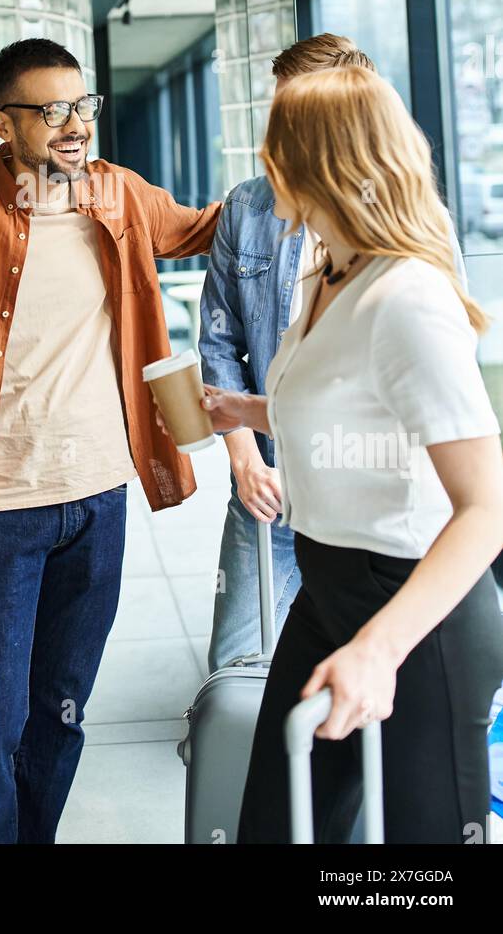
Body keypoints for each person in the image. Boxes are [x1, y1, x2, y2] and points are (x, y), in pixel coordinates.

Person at [0, 37, 222, 844]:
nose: (73, 125)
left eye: (81, 106)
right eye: (50, 109)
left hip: (99, 497)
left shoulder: (119, 196)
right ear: (2, 122)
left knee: (62, 713)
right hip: (0, 508)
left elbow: (207, 230)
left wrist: (310, 172)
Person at [195, 65, 503, 843]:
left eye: (279, 143)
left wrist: (380, 647)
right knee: (273, 825)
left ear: (321, 161)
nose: (265, 159)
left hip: (413, 610)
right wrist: (247, 410)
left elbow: (487, 508)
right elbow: (352, 404)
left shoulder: (408, 298)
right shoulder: (327, 271)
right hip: (326, 585)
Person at [199, 35, 467, 674]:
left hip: (377, 533)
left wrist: (377, 650)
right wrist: (241, 428)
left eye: (290, 123)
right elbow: (228, 346)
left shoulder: (406, 282)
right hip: (281, 494)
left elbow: (481, 498)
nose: (270, 146)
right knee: (238, 680)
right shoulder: (279, 231)